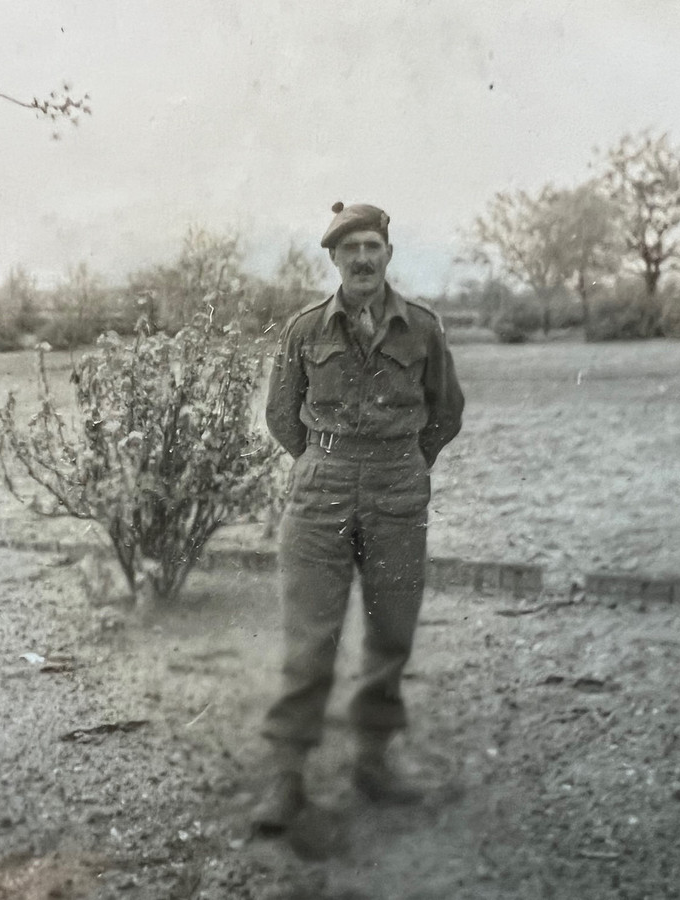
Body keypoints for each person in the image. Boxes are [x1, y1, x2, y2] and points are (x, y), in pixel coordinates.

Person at [252, 202, 465, 832]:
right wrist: (328, 461)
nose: (364, 258)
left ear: (389, 254)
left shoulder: (423, 329)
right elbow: (281, 414)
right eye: (352, 250)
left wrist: (403, 463)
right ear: (336, 260)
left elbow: (446, 411)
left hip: (398, 489)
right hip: (322, 492)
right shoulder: (304, 330)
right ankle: (287, 778)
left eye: (373, 246)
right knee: (309, 641)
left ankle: (374, 762)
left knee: (390, 634)